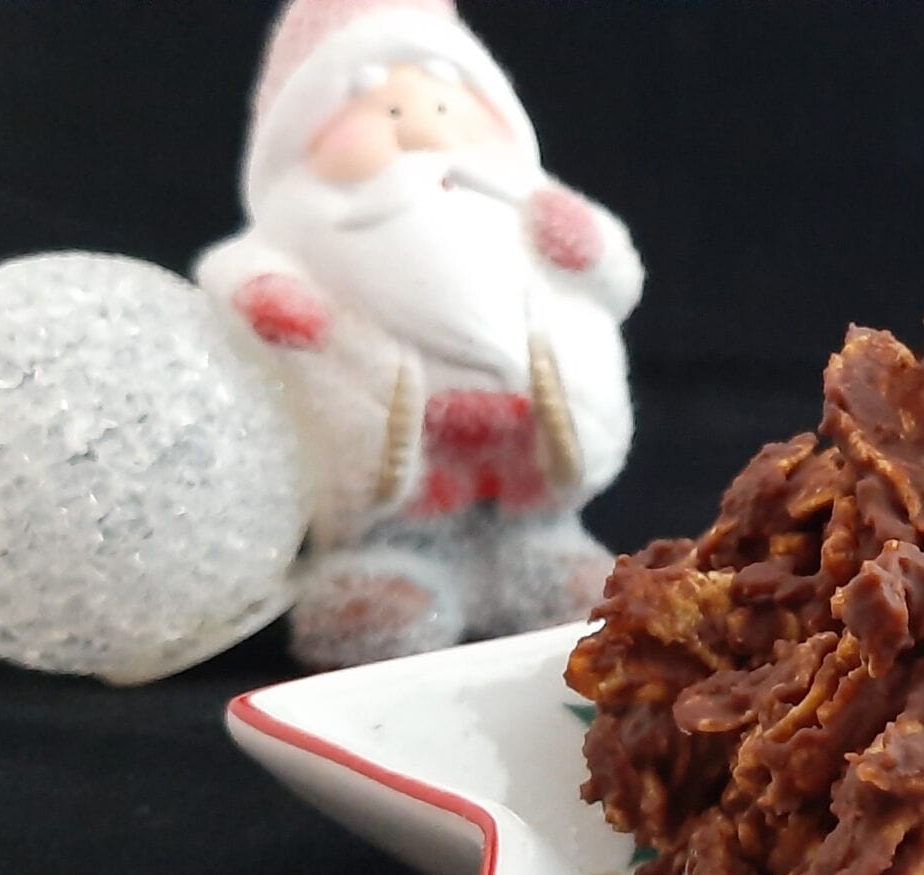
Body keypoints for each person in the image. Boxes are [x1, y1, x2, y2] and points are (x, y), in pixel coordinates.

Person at [197, 0, 645, 669]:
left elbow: (616, 280)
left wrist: (587, 249)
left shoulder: (528, 198)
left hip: (535, 430)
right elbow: (236, 275)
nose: (420, 128)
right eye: (385, 113)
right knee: (395, 523)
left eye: (443, 105)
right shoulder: (303, 218)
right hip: (393, 440)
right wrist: (268, 298)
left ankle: (544, 561)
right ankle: (390, 575)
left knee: (541, 520)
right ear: (304, 134)